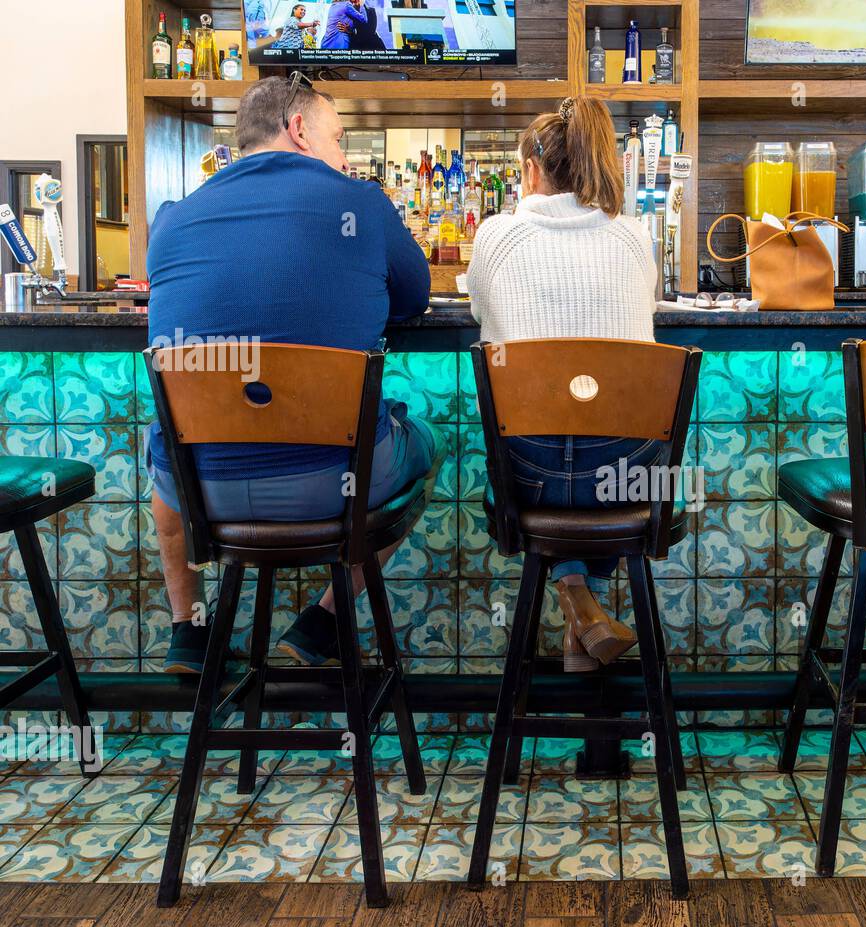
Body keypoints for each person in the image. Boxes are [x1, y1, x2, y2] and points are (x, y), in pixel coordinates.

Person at [146, 75, 436, 672]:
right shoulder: (362, 206)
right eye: (338, 138)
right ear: (299, 130)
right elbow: (414, 297)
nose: (344, 157)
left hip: (204, 492)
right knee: (429, 444)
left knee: (162, 454)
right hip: (335, 486)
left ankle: (190, 629)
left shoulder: (172, 219)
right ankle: (323, 622)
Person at [466, 96, 662, 673]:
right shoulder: (635, 237)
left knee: (547, 451)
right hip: (628, 478)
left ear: (530, 169)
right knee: (591, 448)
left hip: (527, 478)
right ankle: (582, 611)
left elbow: (480, 304)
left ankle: (576, 603)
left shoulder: (497, 236)